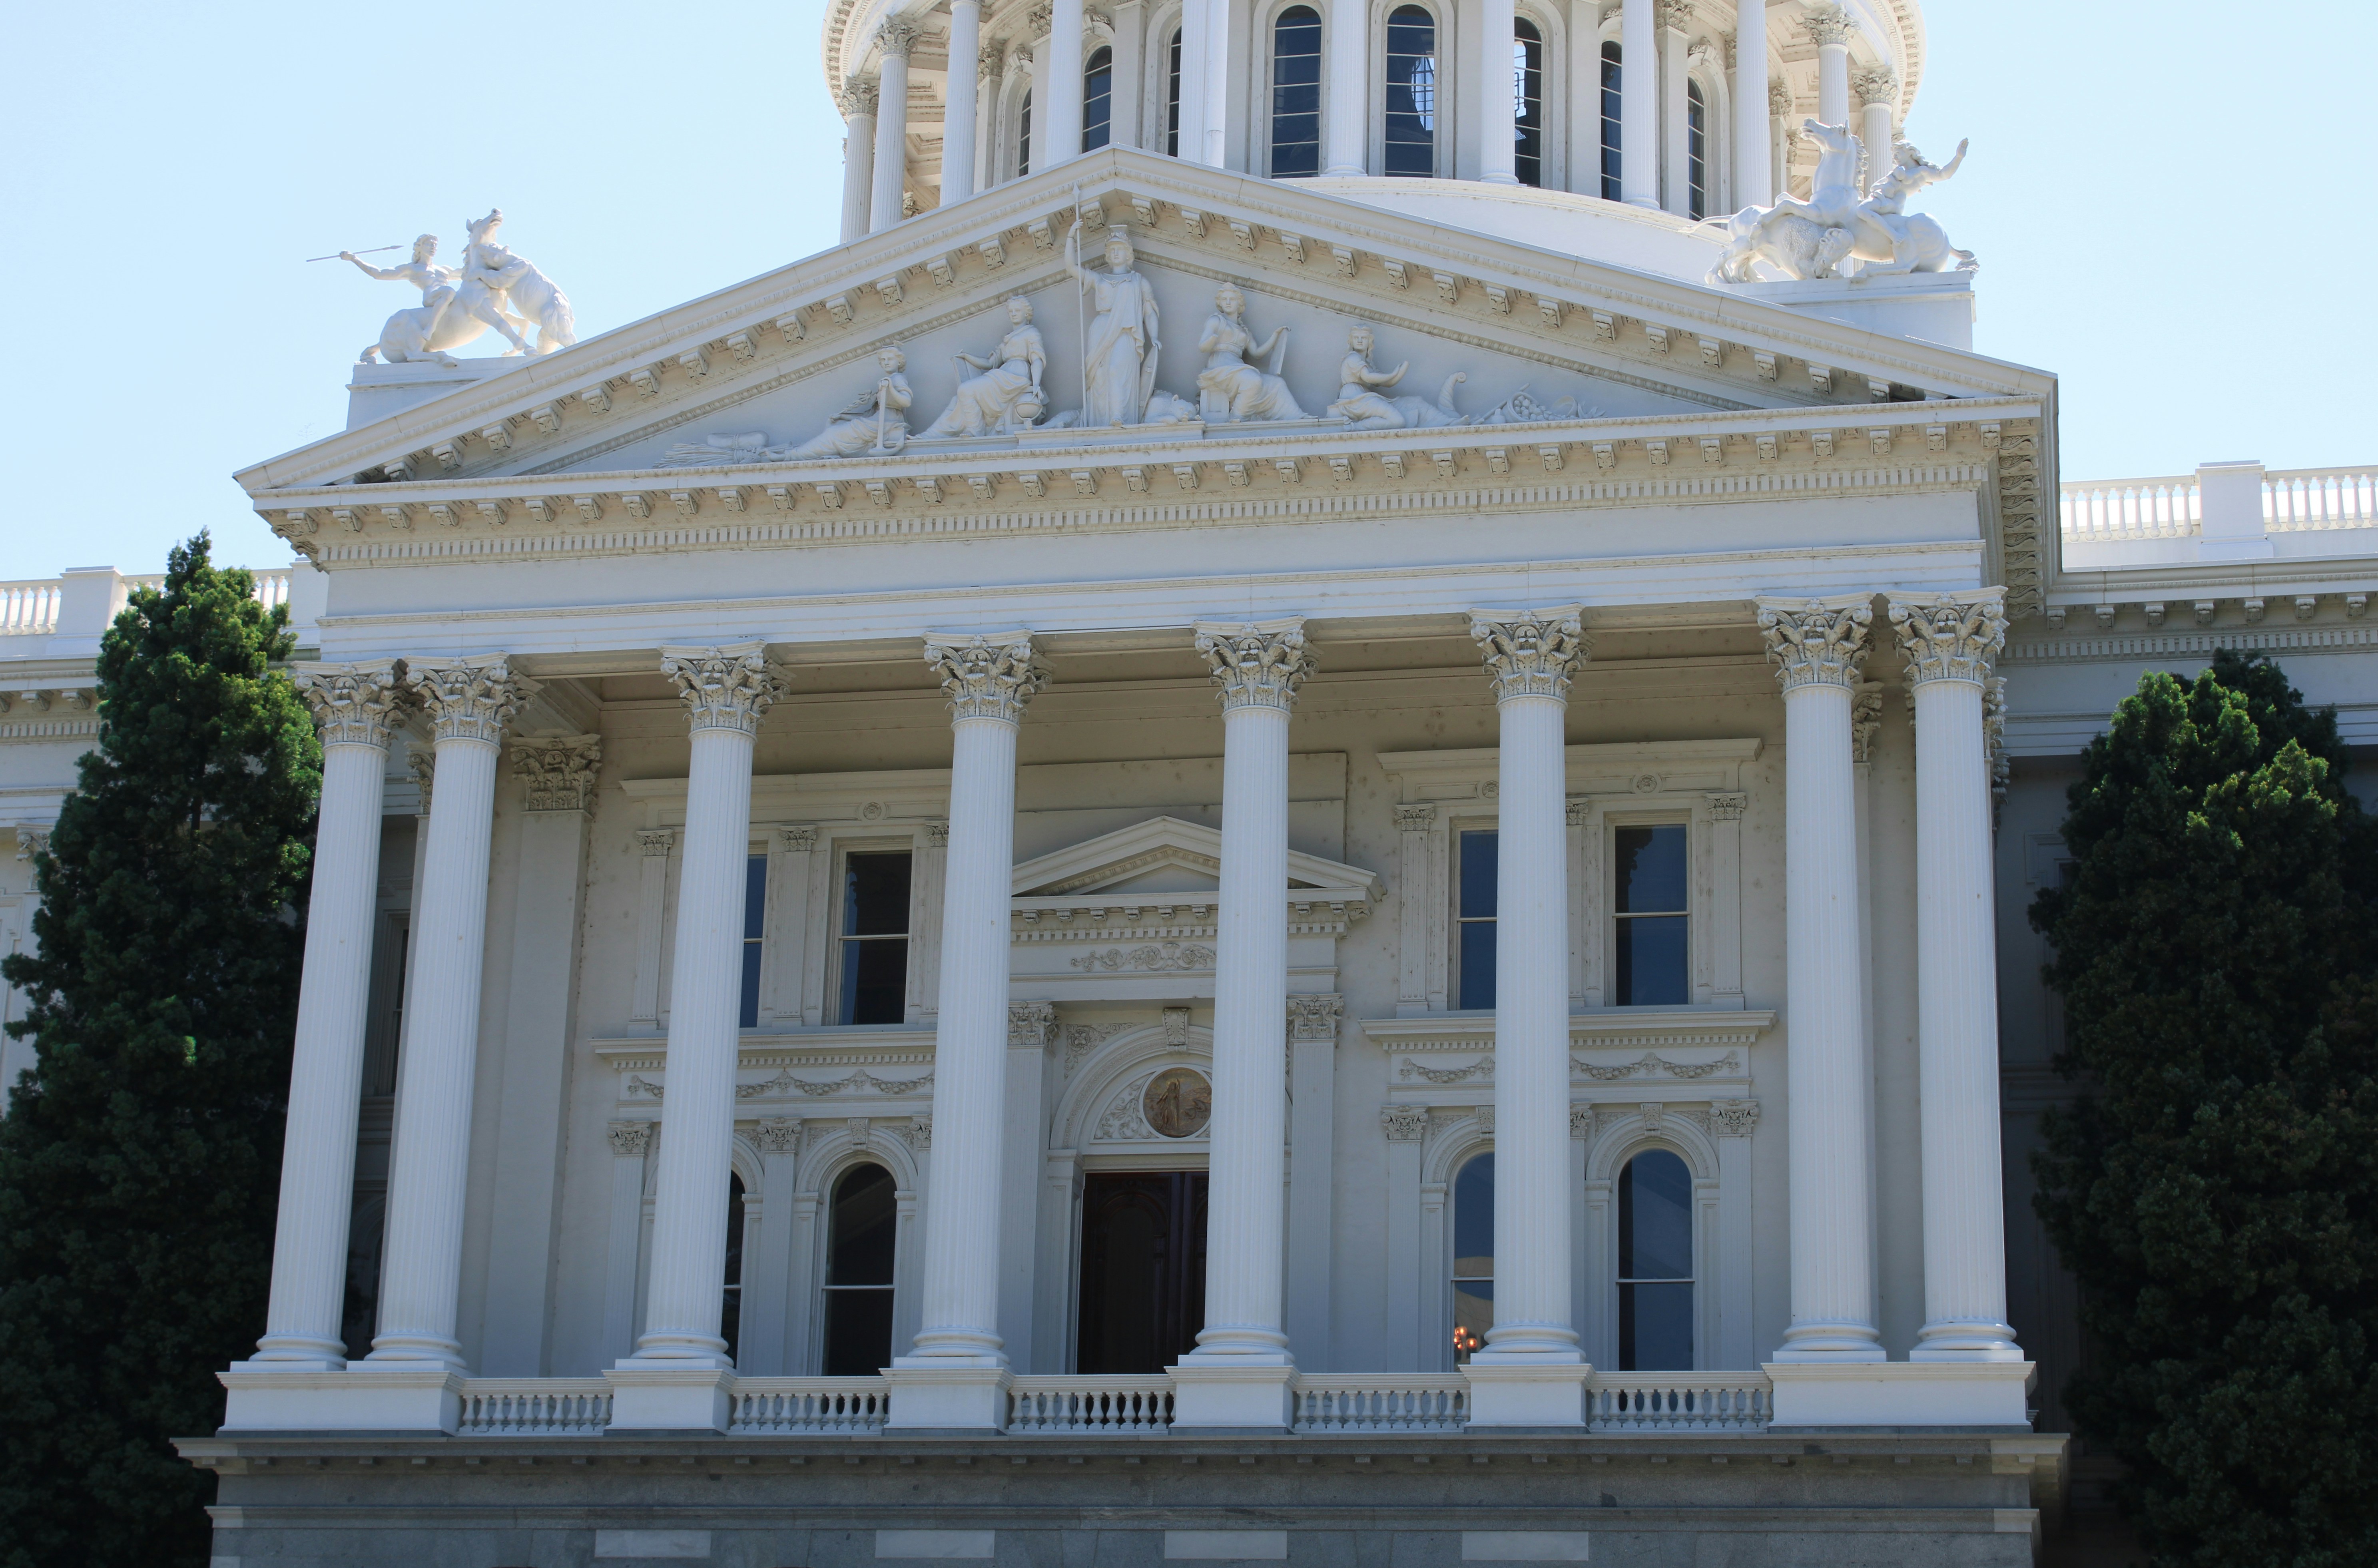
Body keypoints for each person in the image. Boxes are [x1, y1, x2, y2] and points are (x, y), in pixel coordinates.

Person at [1066, 225, 1160, 426]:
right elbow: (1071, 268)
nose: (1116, 253)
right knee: (1100, 376)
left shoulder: (1138, 281)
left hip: (1126, 330)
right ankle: (1101, 420)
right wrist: (1070, 237)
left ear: (1129, 254)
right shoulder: (1099, 279)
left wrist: (1155, 337)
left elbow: (1149, 311)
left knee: (1117, 370)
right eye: (1112, 250)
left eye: (1120, 249)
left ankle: (1118, 416)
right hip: (1101, 329)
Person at [917, 296, 1048, 437]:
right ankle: (931, 436)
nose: (1014, 314)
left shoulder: (1031, 333)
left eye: (1018, 310)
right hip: (1003, 374)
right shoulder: (1007, 338)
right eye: (1011, 311)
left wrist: (1036, 385)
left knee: (966, 390)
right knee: (959, 399)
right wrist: (967, 357)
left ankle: (975, 432)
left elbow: (1037, 360)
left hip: (1016, 375)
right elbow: (989, 363)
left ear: (1027, 313)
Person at [1195, 283, 1306, 422]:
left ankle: (1295, 418)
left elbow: (1257, 354)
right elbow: (1203, 347)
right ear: (1220, 303)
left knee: (1278, 383)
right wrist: (1212, 340)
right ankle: (1237, 416)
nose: (1228, 303)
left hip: (1237, 365)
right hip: (1220, 365)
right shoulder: (1216, 321)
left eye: (1232, 299)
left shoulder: (1244, 331)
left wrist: (1275, 337)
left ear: (1239, 303)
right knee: (1253, 380)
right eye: (1224, 299)